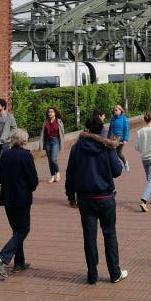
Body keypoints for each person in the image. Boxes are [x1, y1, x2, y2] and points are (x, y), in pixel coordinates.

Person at [65, 110, 128, 285]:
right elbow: (116, 170)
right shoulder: (106, 147)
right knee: (110, 234)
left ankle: (92, 274)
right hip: (105, 196)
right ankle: (114, 273)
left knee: (89, 236)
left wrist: (70, 195)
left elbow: (70, 173)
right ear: (101, 130)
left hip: (85, 198)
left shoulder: (77, 148)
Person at [0, 128, 39, 278]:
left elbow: (0, 177)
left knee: (16, 230)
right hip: (22, 197)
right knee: (23, 229)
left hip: (7, 197)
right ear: (24, 141)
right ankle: (1, 258)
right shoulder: (26, 156)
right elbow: (33, 180)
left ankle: (19, 261)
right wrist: (31, 187)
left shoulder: (5, 155)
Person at [39, 107, 65, 183]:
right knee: (50, 160)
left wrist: (61, 143)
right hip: (47, 141)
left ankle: (58, 172)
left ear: (55, 113)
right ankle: (52, 176)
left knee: (53, 159)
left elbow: (62, 133)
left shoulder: (59, 121)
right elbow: (42, 133)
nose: (50, 113)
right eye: (49, 112)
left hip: (55, 141)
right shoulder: (45, 122)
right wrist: (41, 144)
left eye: (52, 112)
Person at [0, 97, 17, 170]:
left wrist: (8, 136)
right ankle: (8, 175)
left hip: (5, 142)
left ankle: (4, 177)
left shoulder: (9, 116)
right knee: (1, 159)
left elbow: (14, 128)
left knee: (3, 159)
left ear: (3, 107)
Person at [106, 104, 131, 172]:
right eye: (114, 110)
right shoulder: (112, 118)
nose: (114, 111)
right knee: (111, 152)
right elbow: (110, 129)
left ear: (120, 110)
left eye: (116, 110)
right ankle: (114, 167)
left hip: (120, 138)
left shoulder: (124, 119)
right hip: (113, 138)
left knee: (119, 153)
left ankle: (125, 163)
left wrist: (125, 139)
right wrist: (108, 138)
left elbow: (126, 129)